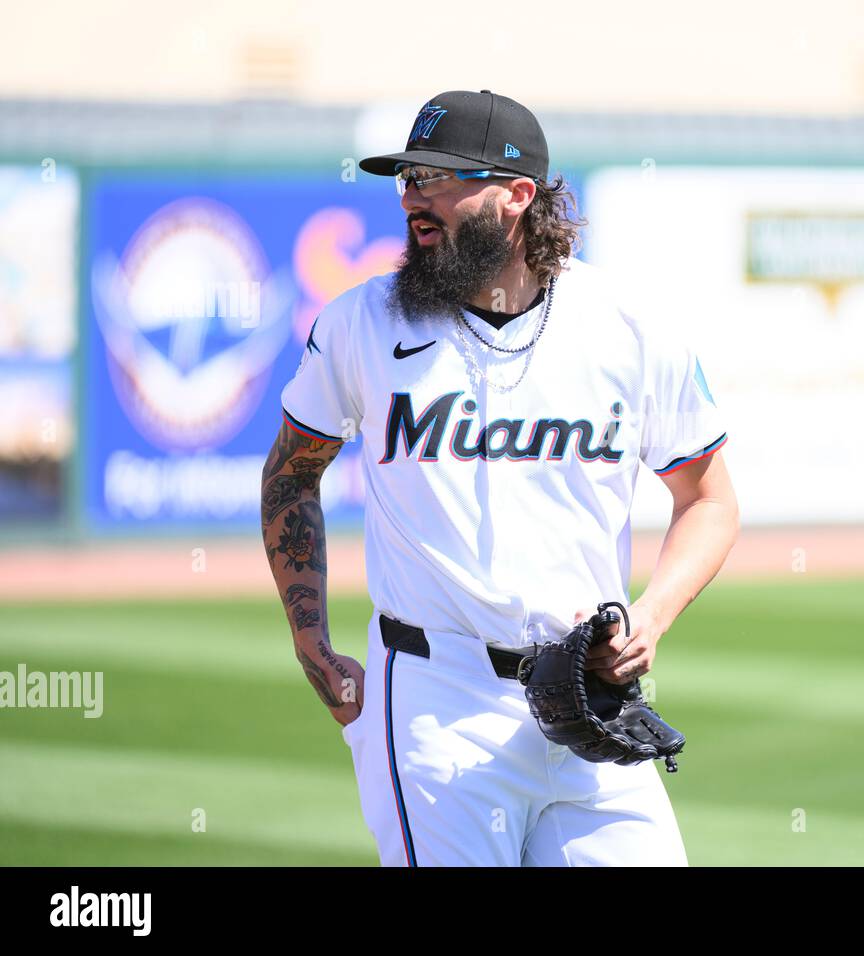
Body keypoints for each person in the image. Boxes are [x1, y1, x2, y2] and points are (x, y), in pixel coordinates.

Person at [260, 89, 739, 866]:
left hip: (586, 699)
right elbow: (290, 476)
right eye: (408, 177)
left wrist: (652, 616)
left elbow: (709, 498)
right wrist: (308, 633)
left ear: (518, 196)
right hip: (433, 700)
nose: (415, 195)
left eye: (440, 177)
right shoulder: (361, 323)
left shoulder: (628, 327)